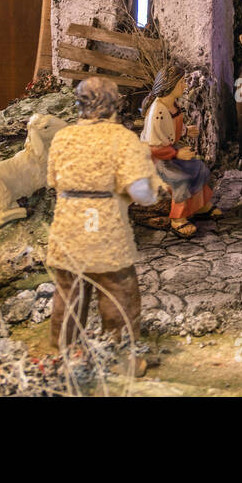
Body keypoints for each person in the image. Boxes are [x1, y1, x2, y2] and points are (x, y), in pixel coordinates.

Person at [45, 77, 159, 373]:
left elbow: (54, 181)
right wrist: (153, 188)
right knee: (118, 291)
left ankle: (64, 354)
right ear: (115, 104)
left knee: (68, 291)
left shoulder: (63, 137)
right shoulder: (122, 139)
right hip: (104, 226)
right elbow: (141, 193)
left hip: (68, 225)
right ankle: (121, 356)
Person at [138, 66, 220, 237]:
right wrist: (176, 154)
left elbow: (169, 129)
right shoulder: (157, 112)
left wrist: (185, 131)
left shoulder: (172, 105)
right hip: (157, 159)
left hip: (168, 151)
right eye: (181, 82)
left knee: (199, 168)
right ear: (171, 84)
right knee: (180, 179)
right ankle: (178, 218)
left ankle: (200, 206)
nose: (185, 85)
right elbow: (153, 148)